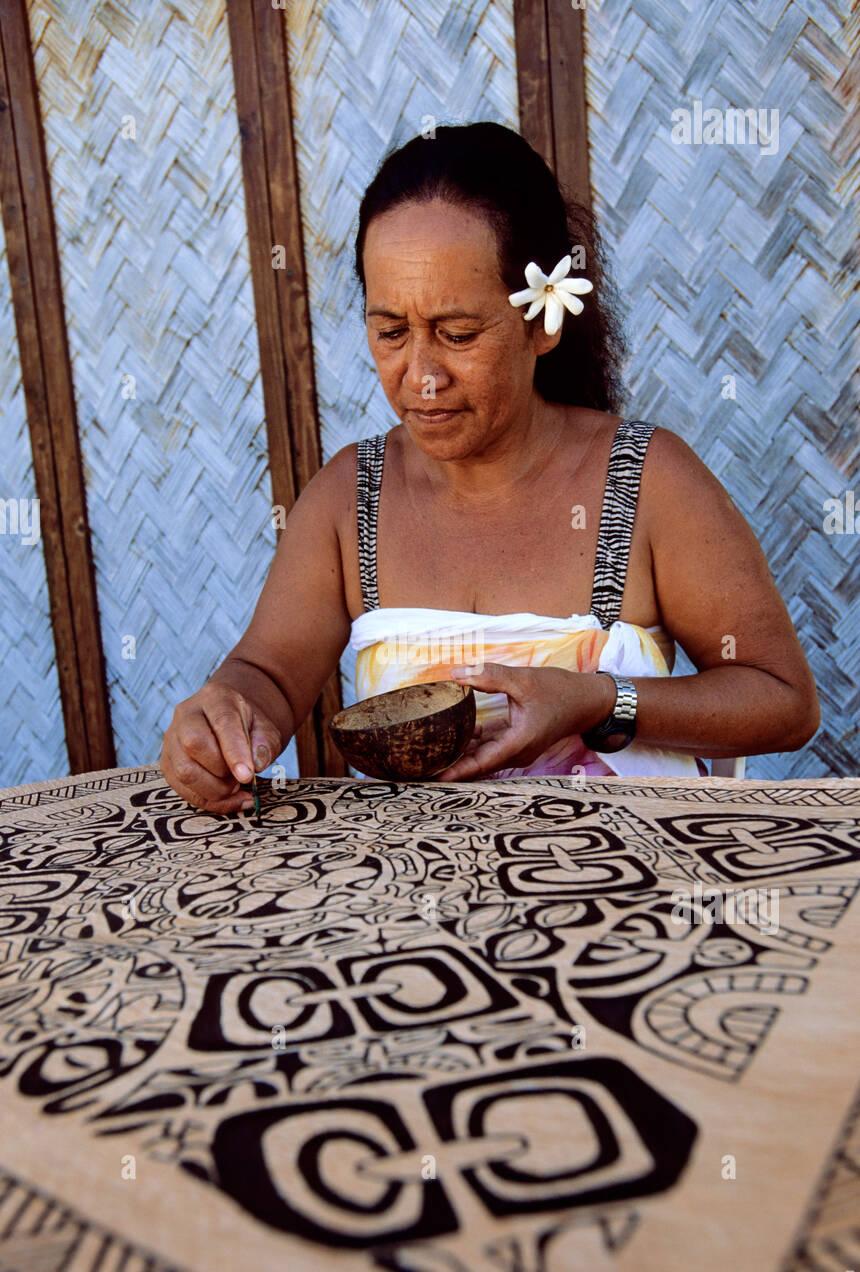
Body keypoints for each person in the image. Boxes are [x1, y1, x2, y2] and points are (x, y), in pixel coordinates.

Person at [161, 122, 819, 812]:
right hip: (412, 903)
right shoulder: (349, 499)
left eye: (458, 335)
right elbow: (266, 672)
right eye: (390, 332)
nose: (420, 377)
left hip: (625, 897)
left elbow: (782, 700)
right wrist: (225, 717)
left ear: (542, 323)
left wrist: (595, 701)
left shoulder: (647, 482)